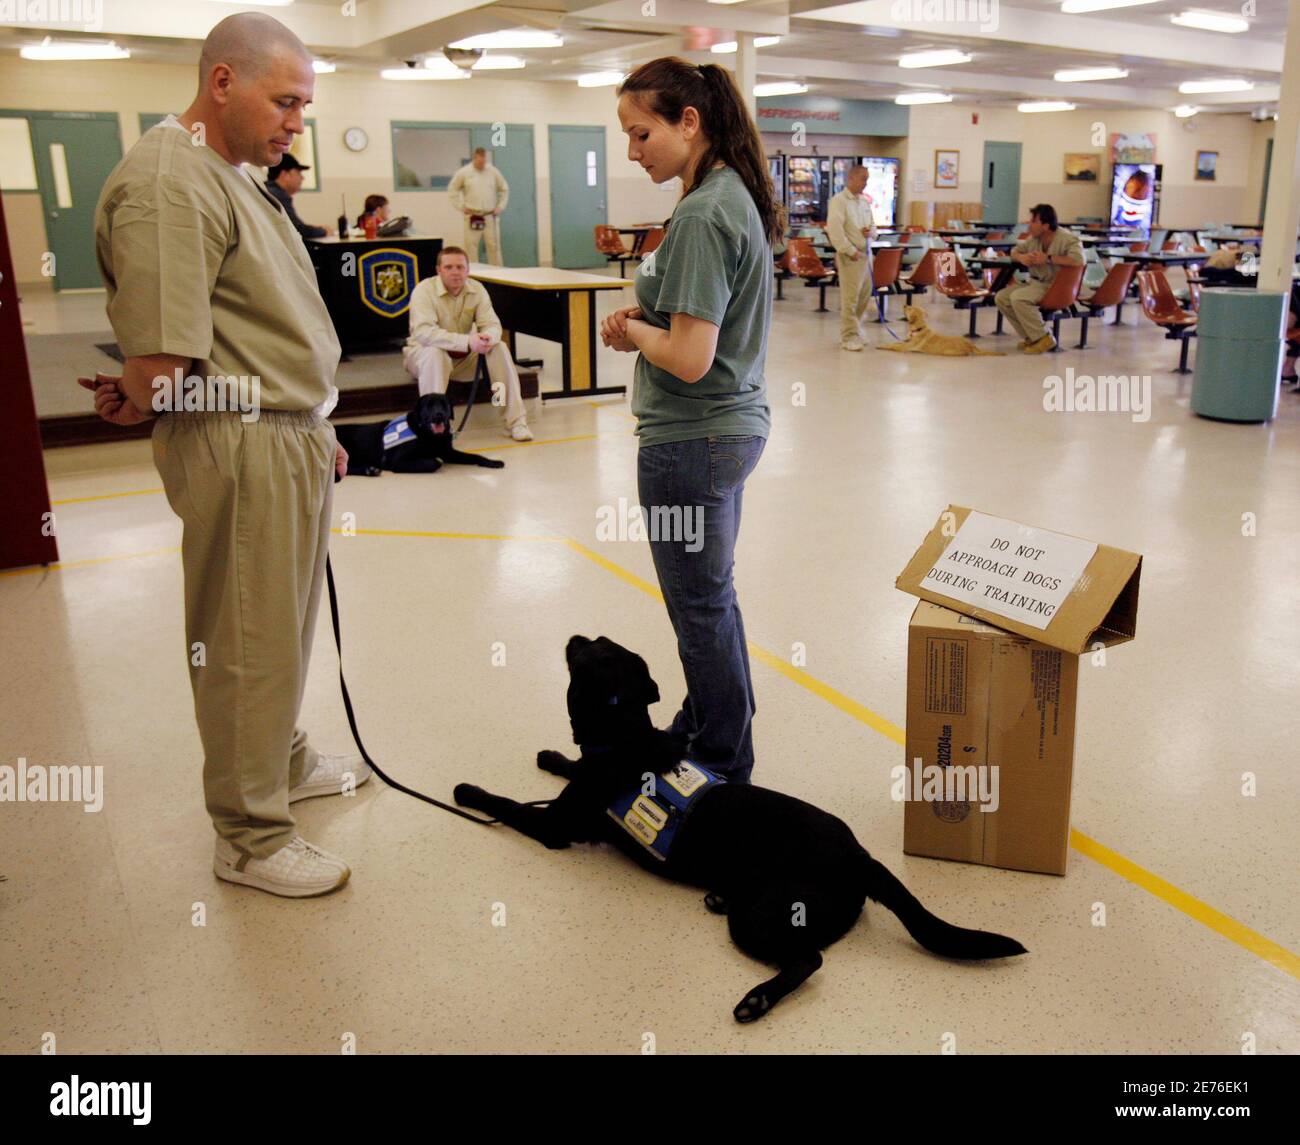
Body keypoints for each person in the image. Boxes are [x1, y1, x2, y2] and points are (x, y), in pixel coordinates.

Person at [84, 12, 368, 898]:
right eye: (284, 101)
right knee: (244, 634)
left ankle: (276, 760)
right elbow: (165, 366)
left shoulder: (230, 174)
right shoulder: (173, 179)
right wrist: (146, 393)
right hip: (243, 438)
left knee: (275, 625)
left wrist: (310, 420)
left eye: (305, 105)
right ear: (221, 83)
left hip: (280, 433)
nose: (295, 123)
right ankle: (247, 835)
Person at [600, 58, 781, 785]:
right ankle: (712, 721)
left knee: (698, 608)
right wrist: (652, 320)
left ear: (689, 122)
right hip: (728, 430)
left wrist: (633, 333)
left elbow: (689, 356)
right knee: (712, 599)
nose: (633, 150)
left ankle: (721, 761)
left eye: (641, 133)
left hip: (691, 438)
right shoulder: (725, 195)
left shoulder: (705, 212)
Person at [403, 246, 532, 440]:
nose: (455, 272)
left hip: (463, 359)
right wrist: (468, 341)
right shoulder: (424, 290)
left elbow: (492, 324)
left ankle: (515, 422)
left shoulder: (477, 289)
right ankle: (433, 428)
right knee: (434, 354)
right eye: (449, 267)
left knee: (499, 348)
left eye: (460, 267)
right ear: (438, 270)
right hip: (422, 356)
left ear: (468, 270)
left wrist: (488, 337)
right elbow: (424, 334)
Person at [996, 203, 1083, 353]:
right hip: (1036, 283)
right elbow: (1014, 250)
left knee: (1018, 297)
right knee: (1001, 297)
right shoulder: (1034, 239)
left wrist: (1048, 258)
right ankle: (1032, 338)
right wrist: (1021, 257)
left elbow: (1078, 260)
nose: (1029, 225)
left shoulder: (1068, 239)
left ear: (1046, 225)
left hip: (1056, 286)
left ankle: (1044, 337)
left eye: (1033, 221)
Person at [827, 164, 876, 351]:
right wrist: (849, 250)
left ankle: (856, 329)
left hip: (866, 255)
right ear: (851, 179)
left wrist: (870, 232)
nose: (865, 183)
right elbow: (835, 231)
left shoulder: (864, 202)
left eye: (867, 179)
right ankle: (847, 336)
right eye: (863, 178)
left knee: (864, 295)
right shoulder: (838, 201)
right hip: (851, 257)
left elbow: (873, 226)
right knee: (850, 298)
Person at [448, 147, 508, 265]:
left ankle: (498, 273)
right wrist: (461, 206)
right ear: (474, 158)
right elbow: (452, 190)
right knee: (471, 247)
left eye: (484, 162)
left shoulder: (493, 172)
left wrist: (500, 206)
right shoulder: (464, 172)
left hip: (490, 216)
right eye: (479, 162)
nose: (482, 164)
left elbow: (504, 189)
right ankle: (474, 274)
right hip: (472, 215)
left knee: (494, 247)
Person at [265, 151, 333, 239]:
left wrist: (314, 228)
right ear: (285, 175)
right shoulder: (278, 195)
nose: (302, 178)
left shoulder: (266, 189)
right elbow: (298, 230)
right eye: (298, 173)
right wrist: (324, 231)